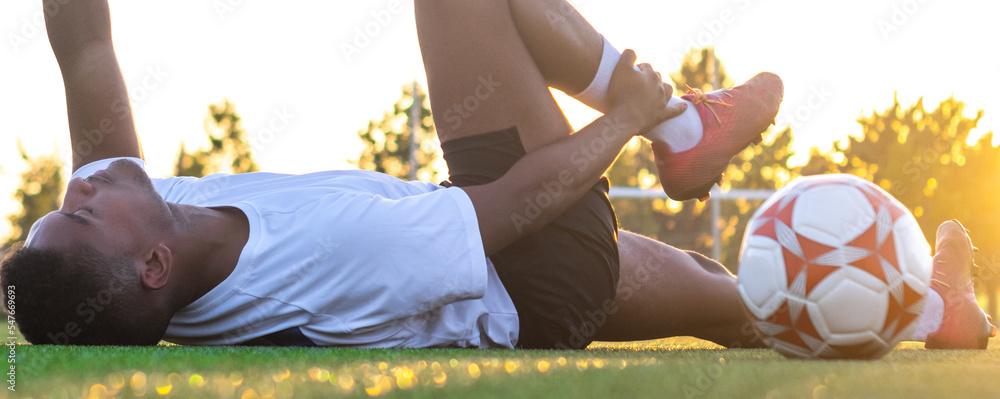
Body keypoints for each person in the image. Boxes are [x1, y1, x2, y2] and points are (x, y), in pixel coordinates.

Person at [1, 0, 992, 351]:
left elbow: (82, 43)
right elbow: (510, 209)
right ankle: (687, 132)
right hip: (525, 261)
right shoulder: (342, 252)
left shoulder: (144, 235)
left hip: (494, 286)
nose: (76, 189)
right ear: (153, 267)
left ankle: (933, 318)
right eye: (78, 217)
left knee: (752, 312)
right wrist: (633, 120)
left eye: (66, 200)